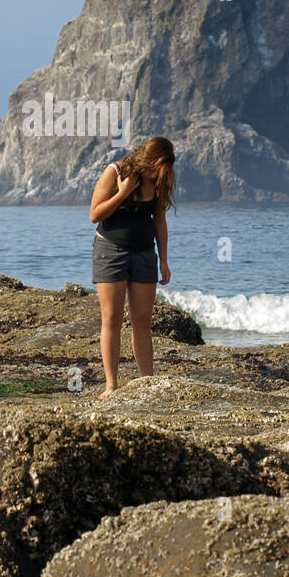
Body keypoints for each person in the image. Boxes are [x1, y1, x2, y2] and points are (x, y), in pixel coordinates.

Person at [88, 136, 176, 399]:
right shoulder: (115, 172)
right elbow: (95, 214)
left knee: (142, 322)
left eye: (164, 168)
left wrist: (164, 260)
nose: (159, 173)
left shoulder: (158, 181)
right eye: (157, 166)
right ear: (147, 159)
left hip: (144, 254)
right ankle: (111, 386)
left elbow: (159, 221)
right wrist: (123, 193)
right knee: (112, 319)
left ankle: (146, 382)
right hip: (109, 251)